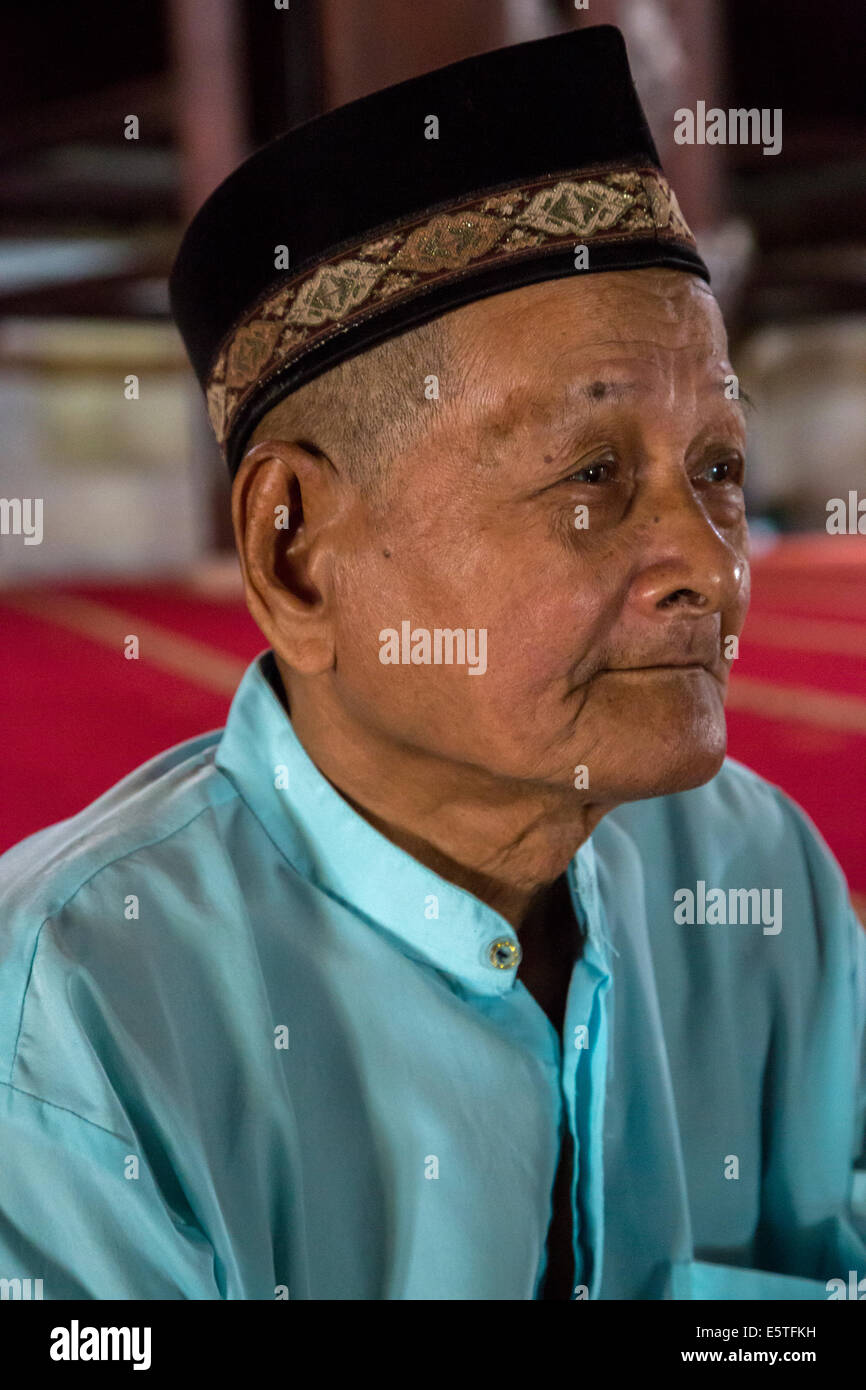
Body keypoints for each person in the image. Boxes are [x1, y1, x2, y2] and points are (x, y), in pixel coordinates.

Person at [0, 24, 863, 1301]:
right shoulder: (71, 1025)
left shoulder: (753, 871)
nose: (709, 561)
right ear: (296, 553)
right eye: (589, 477)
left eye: (718, 470)